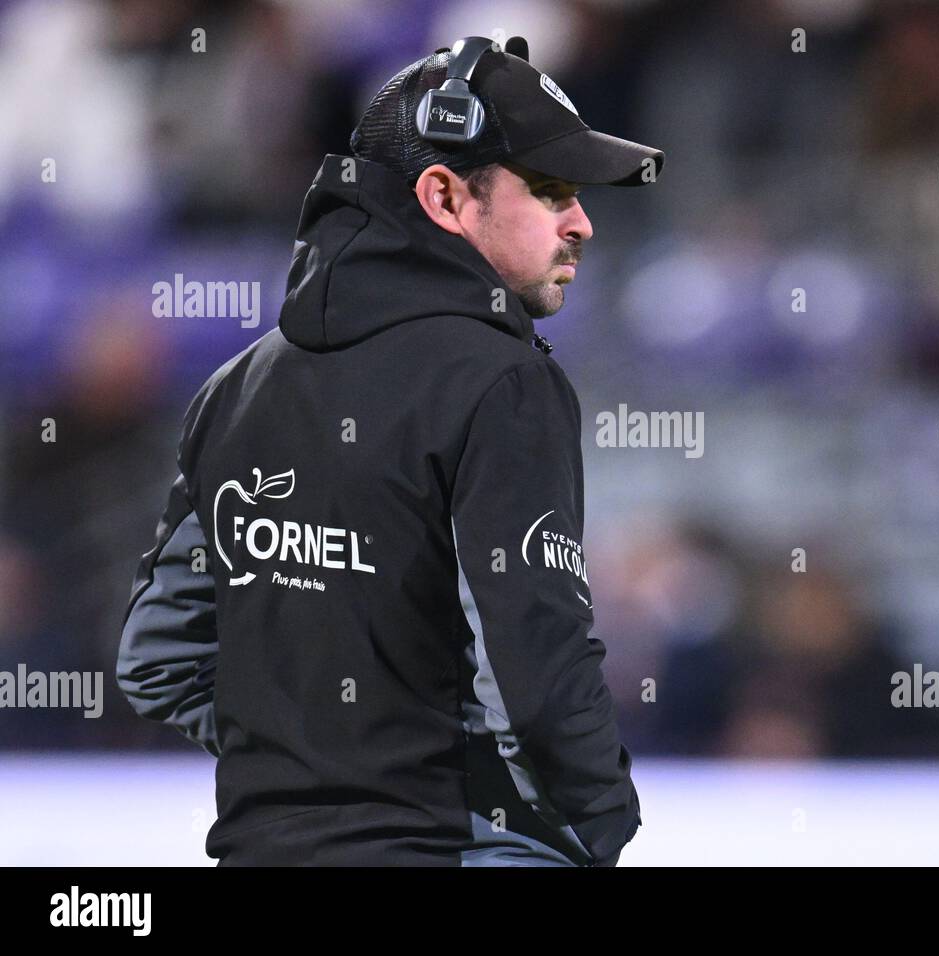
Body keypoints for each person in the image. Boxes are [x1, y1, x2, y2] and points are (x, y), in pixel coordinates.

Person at [115, 36, 664, 867]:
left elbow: (157, 659)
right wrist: (597, 826)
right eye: (550, 191)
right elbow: (537, 683)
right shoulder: (503, 384)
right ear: (443, 195)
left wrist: (307, 760)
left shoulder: (236, 385)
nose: (582, 221)